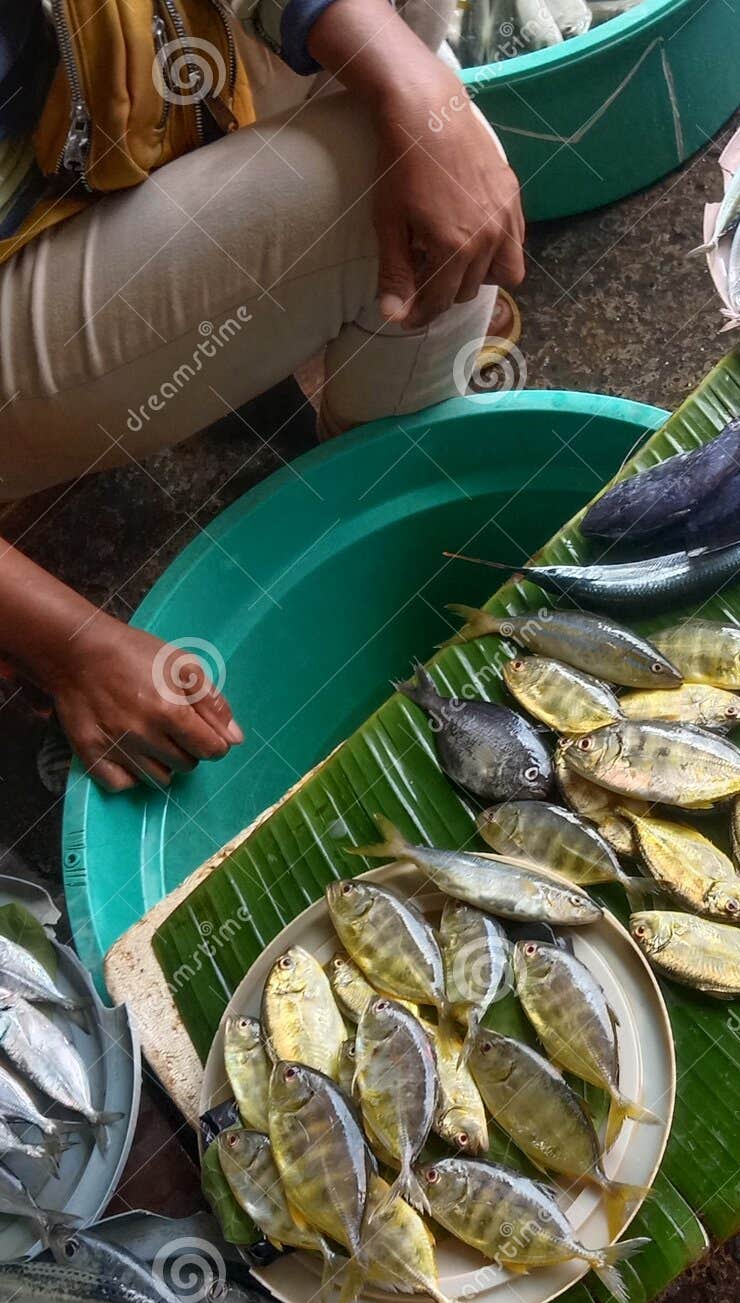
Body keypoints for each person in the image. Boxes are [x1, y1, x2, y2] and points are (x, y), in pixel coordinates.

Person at [0, 0, 524, 793]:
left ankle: (374, 516)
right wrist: (67, 647)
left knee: (419, 97)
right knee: (381, 177)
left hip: (92, 125)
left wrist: (413, 87)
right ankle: (369, 567)